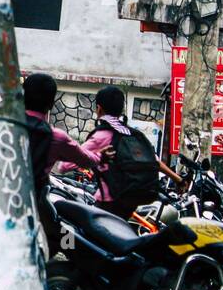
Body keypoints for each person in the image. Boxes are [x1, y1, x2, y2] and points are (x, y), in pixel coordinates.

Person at [75, 86, 182, 219]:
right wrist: (178, 180)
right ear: (121, 110)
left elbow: (66, 165)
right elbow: (154, 161)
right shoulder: (132, 134)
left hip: (108, 202)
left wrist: (97, 157)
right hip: (130, 202)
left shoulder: (101, 135)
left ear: (99, 108)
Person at [24, 73, 105, 249]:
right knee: (65, 229)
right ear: (51, 103)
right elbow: (86, 160)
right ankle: (68, 257)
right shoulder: (55, 137)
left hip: (2, 198)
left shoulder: (6, 127)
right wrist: (102, 157)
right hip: (35, 201)